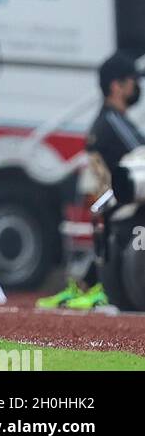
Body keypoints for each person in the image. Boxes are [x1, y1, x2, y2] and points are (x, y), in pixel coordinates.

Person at [38, 52, 143, 310]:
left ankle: (89, 282)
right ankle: (93, 284)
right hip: (125, 211)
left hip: (113, 214)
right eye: (132, 81)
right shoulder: (113, 124)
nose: (137, 87)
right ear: (116, 86)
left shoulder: (110, 122)